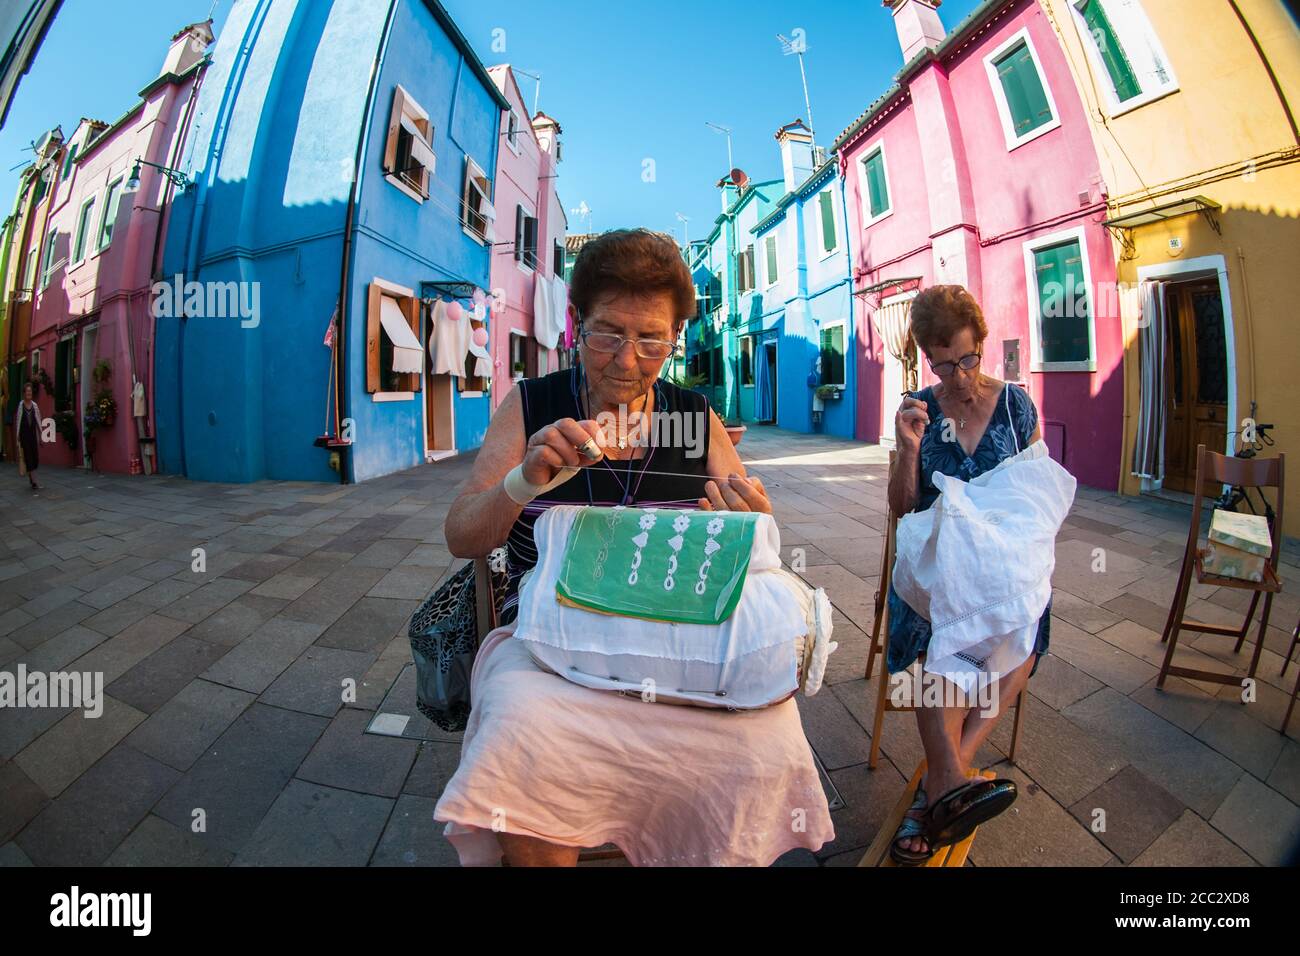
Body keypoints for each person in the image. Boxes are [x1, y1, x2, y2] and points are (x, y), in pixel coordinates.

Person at [435, 228, 834, 866]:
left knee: (768, 740)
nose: (626, 360)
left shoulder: (692, 417)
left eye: (652, 340)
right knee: (517, 732)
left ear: (675, 336)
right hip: (550, 641)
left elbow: (749, 536)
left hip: (677, 642)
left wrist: (753, 520)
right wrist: (523, 481)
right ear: (575, 325)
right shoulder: (534, 404)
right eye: (607, 334)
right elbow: (463, 535)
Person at [885, 284, 1046, 864]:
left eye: (968, 358)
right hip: (937, 570)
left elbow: (1037, 494)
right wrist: (907, 450)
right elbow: (902, 508)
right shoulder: (917, 408)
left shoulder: (1016, 406)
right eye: (942, 363)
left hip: (1000, 565)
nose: (957, 376)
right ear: (927, 357)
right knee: (940, 633)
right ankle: (952, 780)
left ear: (983, 344)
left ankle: (942, 779)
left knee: (1025, 626)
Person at [14, 382, 42, 491]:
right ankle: (34, 481)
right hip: (24, 435)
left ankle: (31, 476)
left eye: (30, 391)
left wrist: (41, 435)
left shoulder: (34, 405)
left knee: (35, 458)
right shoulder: (21, 405)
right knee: (28, 457)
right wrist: (17, 435)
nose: (29, 393)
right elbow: (18, 420)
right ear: (24, 393)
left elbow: (39, 421)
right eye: (27, 391)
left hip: (33, 435)